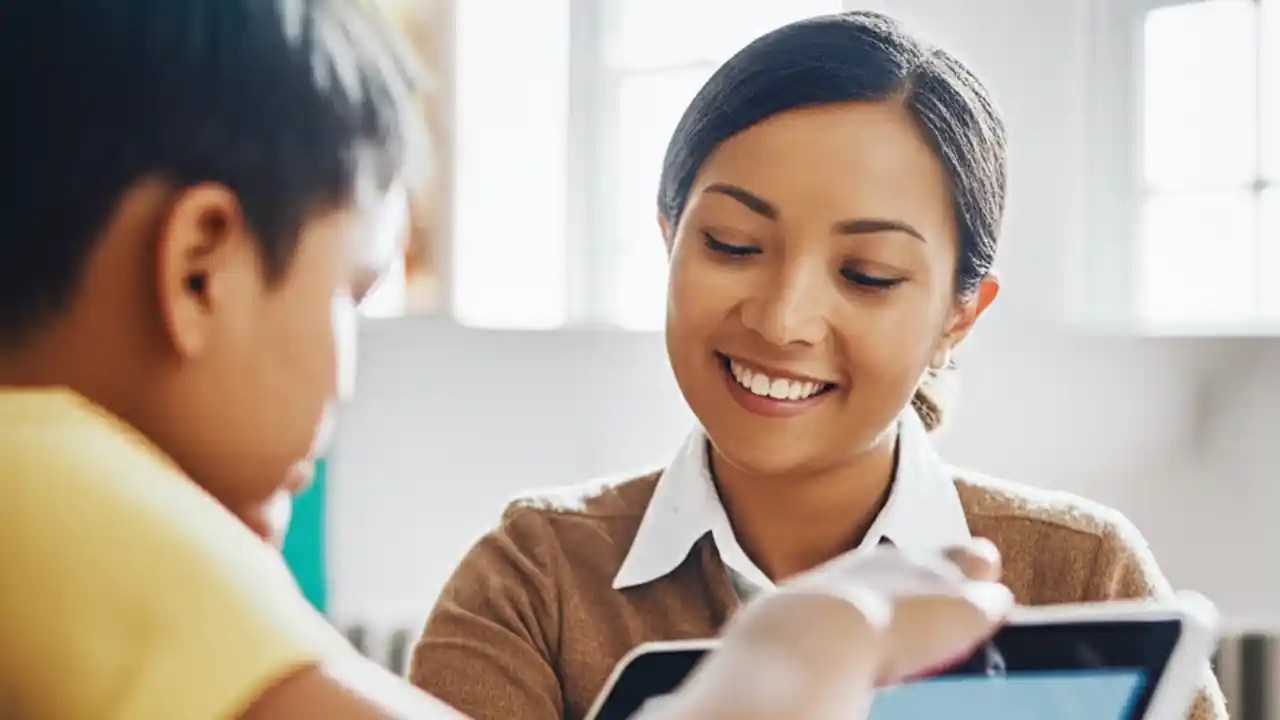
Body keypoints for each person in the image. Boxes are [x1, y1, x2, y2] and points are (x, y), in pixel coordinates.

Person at [0, 1, 1015, 718]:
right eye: (349, 295)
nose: (787, 317)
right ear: (199, 270)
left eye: (868, 271)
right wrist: (793, 662)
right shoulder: (43, 488)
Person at [411, 11, 1228, 720]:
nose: (782, 318)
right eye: (732, 245)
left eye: (866, 273)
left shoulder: (1084, 573)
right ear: (670, 243)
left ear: (959, 317)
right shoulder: (533, 581)